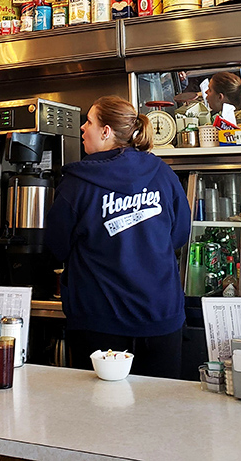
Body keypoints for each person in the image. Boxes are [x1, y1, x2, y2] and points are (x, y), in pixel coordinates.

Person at [44, 96, 191, 379]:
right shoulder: (162, 173)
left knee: (102, 416)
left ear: (106, 132)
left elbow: (56, 247)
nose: (83, 129)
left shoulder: (76, 185)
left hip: (100, 322)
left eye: (89, 122)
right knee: (161, 414)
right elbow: (179, 235)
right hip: (161, 317)